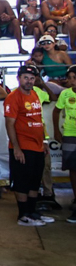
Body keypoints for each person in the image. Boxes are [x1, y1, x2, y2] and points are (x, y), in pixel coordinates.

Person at [4, 66, 54, 227]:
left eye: (32, 78)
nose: (29, 81)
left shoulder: (34, 94)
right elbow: (9, 124)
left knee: (34, 181)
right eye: (26, 77)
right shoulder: (13, 97)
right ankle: (23, 214)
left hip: (38, 146)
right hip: (23, 146)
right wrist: (17, 148)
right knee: (22, 182)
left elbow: (39, 119)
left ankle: (32, 212)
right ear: (19, 78)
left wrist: (44, 141)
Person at [51, 65, 76, 223]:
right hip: (70, 135)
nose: (72, 81)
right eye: (70, 78)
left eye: (75, 78)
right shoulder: (65, 94)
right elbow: (56, 110)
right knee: (73, 169)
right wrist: (57, 131)